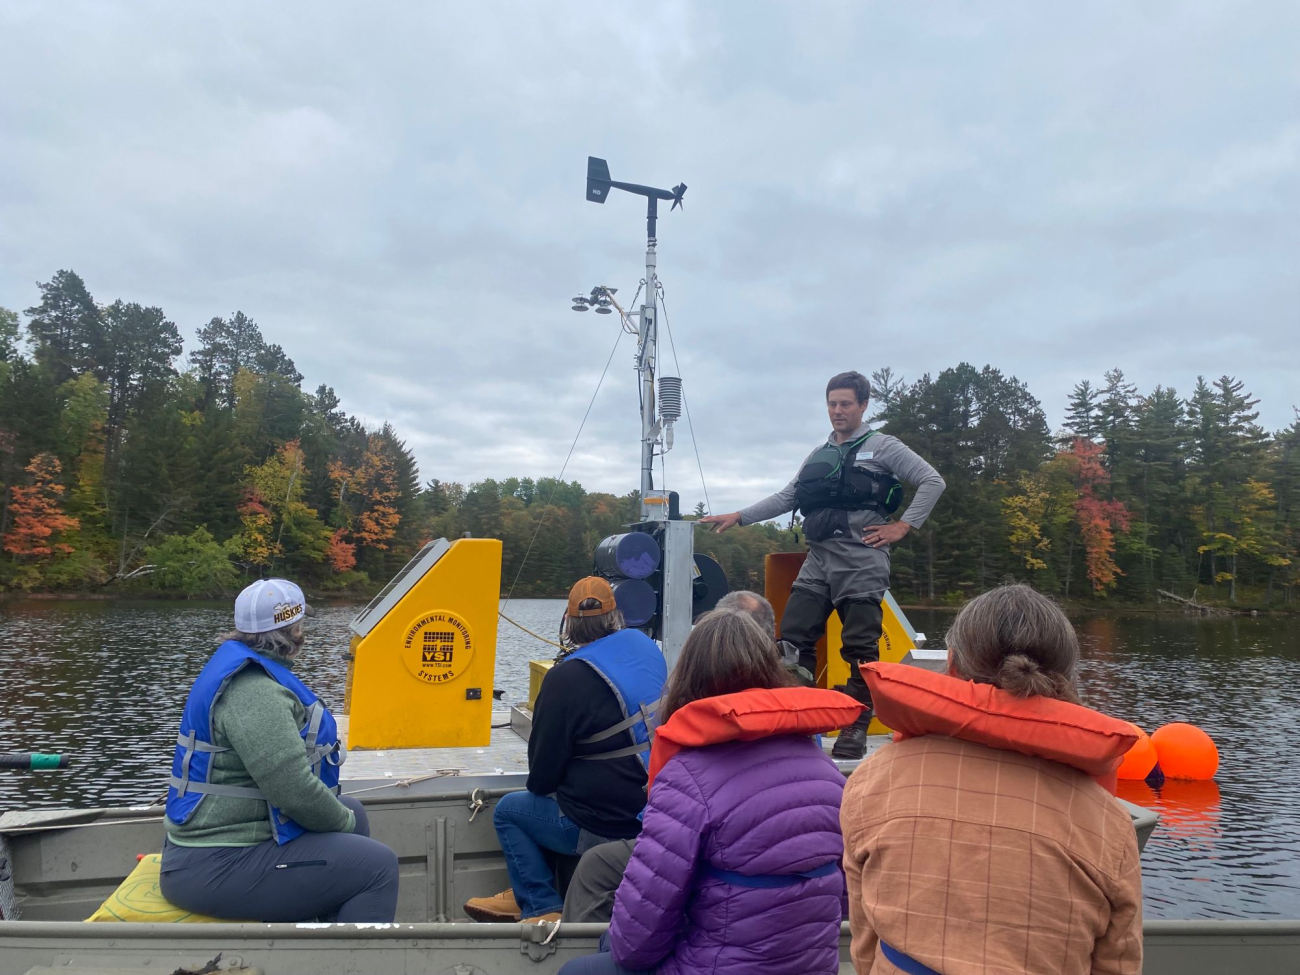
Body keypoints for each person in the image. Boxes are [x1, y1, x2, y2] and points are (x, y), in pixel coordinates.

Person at [841, 585, 1144, 974]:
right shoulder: (1109, 824)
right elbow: (1116, 965)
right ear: (1065, 679)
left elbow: (865, 949)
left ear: (951, 666)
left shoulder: (872, 781)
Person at [559, 609, 858, 975]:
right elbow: (842, 902)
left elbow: (635, 942)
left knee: (580, 968)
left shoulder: (687, 780)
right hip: (810, 965)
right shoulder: (826, 773)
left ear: (689, 677)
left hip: (717, 966)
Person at [701, 370, 945, 759]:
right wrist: (740, 516)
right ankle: (803, 719)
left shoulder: (883, 446)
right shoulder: (819, 454)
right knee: (793, 640)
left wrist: (902, 526)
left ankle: (855, 725)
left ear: (863, 406)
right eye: (832, 404)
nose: (837, 411)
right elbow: (787, 496)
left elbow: (932, 481)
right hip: (819, 560)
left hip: (862, 559)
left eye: (846, 404)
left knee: (860, 648)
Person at [160, 579, 398, 923]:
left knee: (353, 811)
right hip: (213, 865)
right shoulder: (256, 692)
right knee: (378, 866)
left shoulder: (246, 672)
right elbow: (293, 790)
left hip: (215, 851)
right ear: (294, 631)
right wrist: (340, 822)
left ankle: (321, 931)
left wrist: (344, 819)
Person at [560, 589, 777, 925]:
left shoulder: (688, 727)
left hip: (717, 889)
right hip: (788, 904)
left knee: (595, 866)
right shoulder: (803, 726)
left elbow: (667, 836)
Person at [464, 576, 666, 924]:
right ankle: (529, 891)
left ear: (568, 623)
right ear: (616, 616)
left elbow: (540, 779)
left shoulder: (564, 679)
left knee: (512, 811)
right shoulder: (647, 648)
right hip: (656, 810)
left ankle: (539, 904)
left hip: (604, 824)